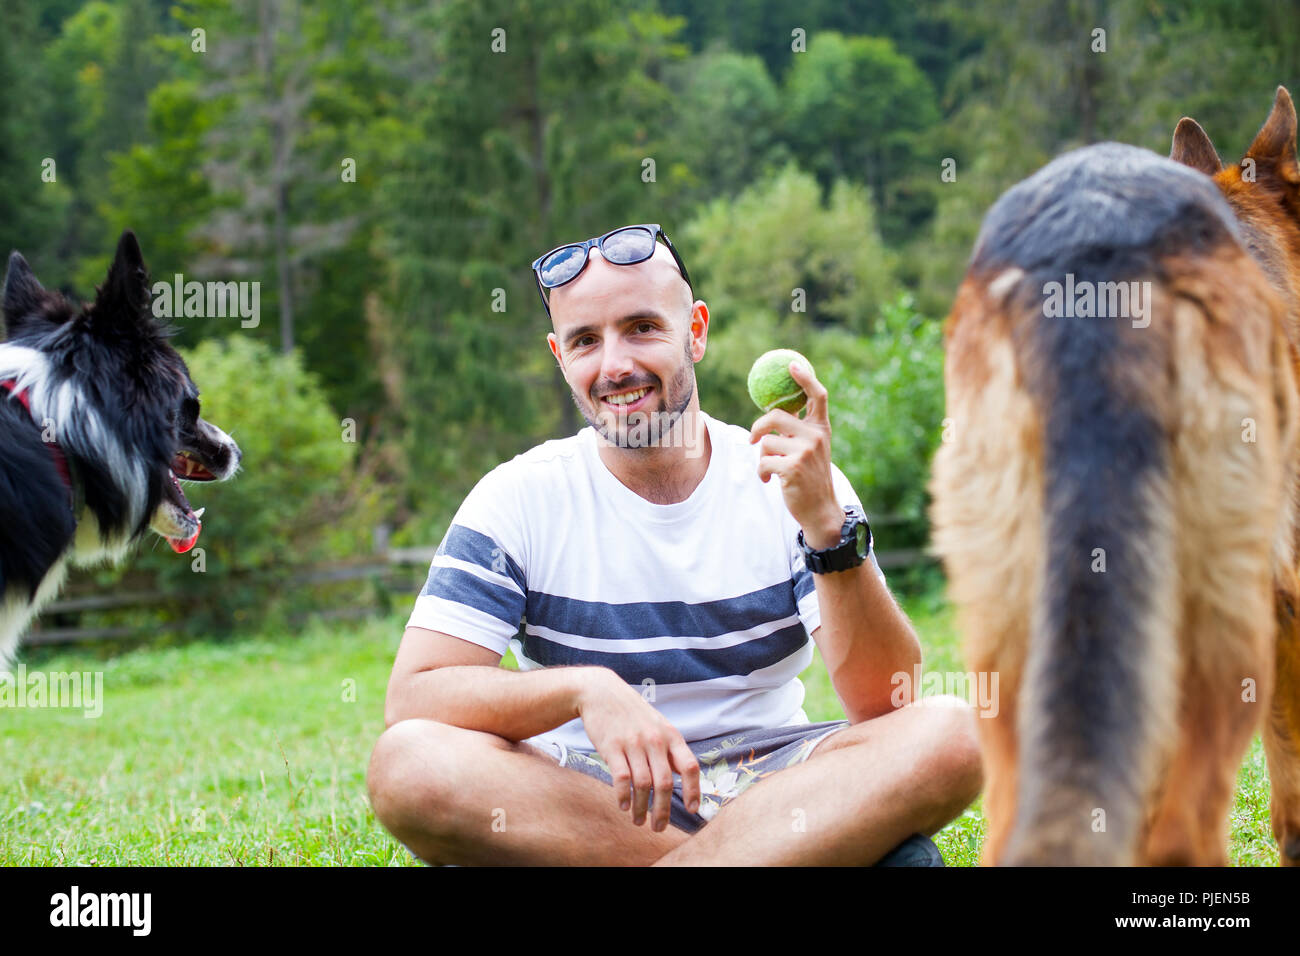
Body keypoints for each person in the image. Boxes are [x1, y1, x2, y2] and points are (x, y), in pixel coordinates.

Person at [366, 223, 983, 865]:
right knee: (409, 763)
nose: (615, 366)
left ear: (696, 330)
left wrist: (829, 531)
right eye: (585, 341)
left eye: (641, 327)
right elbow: (416, 696)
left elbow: (886, 704)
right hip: (594, 796)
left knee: (953, 731)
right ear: (559, 357)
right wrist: (586, 691)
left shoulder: (790, 480)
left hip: (777, 786)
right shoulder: (516, 498)